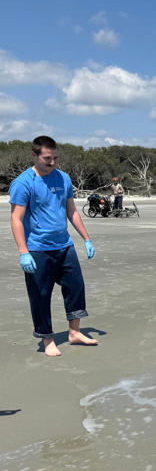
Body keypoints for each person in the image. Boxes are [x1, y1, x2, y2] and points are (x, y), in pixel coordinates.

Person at [9, 136, 98, 356]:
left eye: (55, 158)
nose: (52, 163)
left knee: (75, 288)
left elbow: (72, 211)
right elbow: (16, 219)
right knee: (40, 295)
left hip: (64, 246)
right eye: (47, 158)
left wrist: (86, 238)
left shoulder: (63, 178)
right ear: (35, 155)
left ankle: (74, 332)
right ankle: (47, 339)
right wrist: (23, 252)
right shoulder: (23, 183)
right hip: (37, 249)